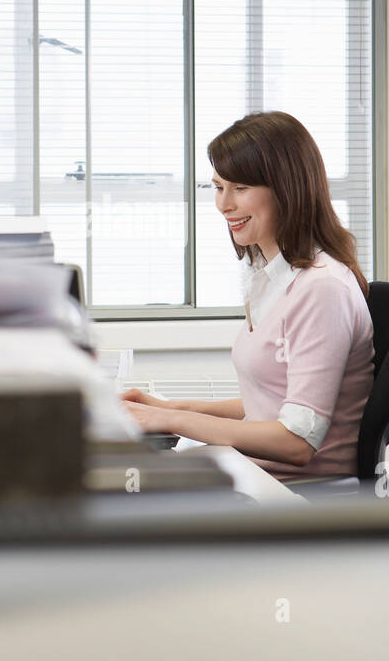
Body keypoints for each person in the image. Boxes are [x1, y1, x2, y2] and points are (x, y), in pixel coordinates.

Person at [122, 111, 374, 480]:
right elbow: (270, 406)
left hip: (294, 491)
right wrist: (169, 408)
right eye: (218, 187)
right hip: (258, 473)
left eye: (240, 188)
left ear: (288, 189)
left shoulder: (322, 289)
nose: (224, 205)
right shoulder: (273, 275)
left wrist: (169, 418)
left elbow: (296, 440)